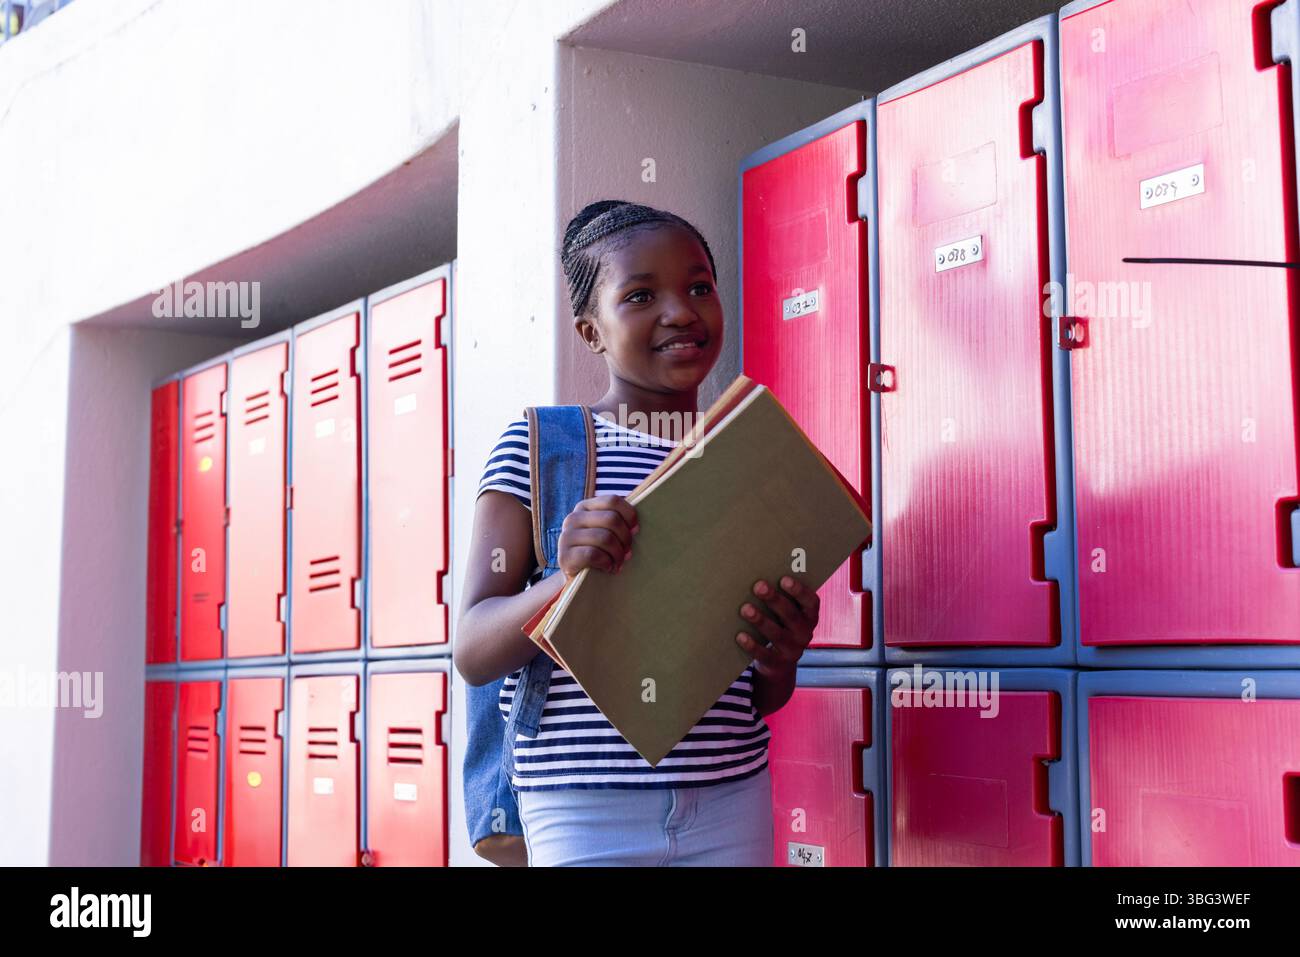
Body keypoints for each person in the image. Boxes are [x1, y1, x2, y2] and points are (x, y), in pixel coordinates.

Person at [454, 200, 822, 866]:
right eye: (642, 294)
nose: (681, 310)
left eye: (699, 286)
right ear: (590, 330)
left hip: (730, 793)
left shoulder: (743, 456)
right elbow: (474, 647)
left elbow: (754, 694)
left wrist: (781, 655)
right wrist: (567, 581)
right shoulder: (544, 446)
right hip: (580, 805)